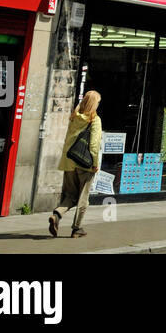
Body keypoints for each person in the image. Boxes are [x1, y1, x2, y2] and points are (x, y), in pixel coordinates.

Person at [49, 90, 102, 239]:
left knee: (70, 195)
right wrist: (95, 163)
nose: (98, 105)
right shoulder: (94, 119)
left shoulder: (74, 117)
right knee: (83, 199)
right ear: (93, 104)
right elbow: (94, 144)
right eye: (97, 102)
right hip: (84, 163)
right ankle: (77, 228)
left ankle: (57, 214)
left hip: (69, 161)